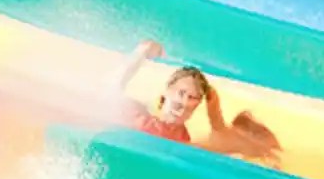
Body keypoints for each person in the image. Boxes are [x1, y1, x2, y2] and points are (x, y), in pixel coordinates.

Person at [116, 41, 280, 163]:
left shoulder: (182, 136)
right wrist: (141, 52)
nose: (184, 102)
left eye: (192, 99)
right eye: (181, 94)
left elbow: (217, 123)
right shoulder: (137, 115)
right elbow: (113, 89)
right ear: (166, 92)